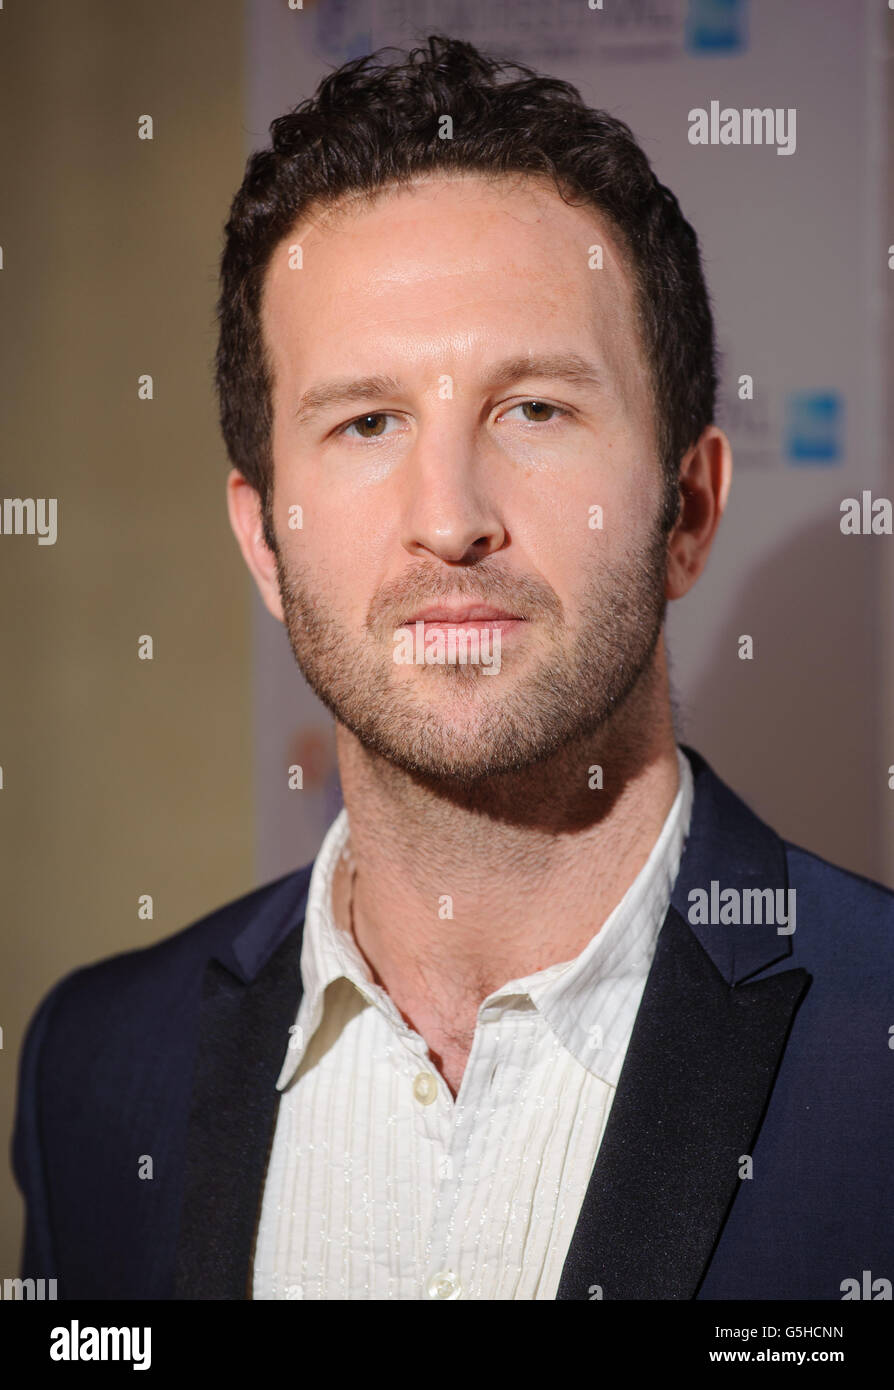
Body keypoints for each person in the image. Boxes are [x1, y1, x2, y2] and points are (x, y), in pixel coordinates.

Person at [12, 34, 893, 1302]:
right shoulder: (92, 1073)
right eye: (366, 423)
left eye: (534, 407)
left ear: (687, 508)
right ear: (264, 539)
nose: (449, 515)